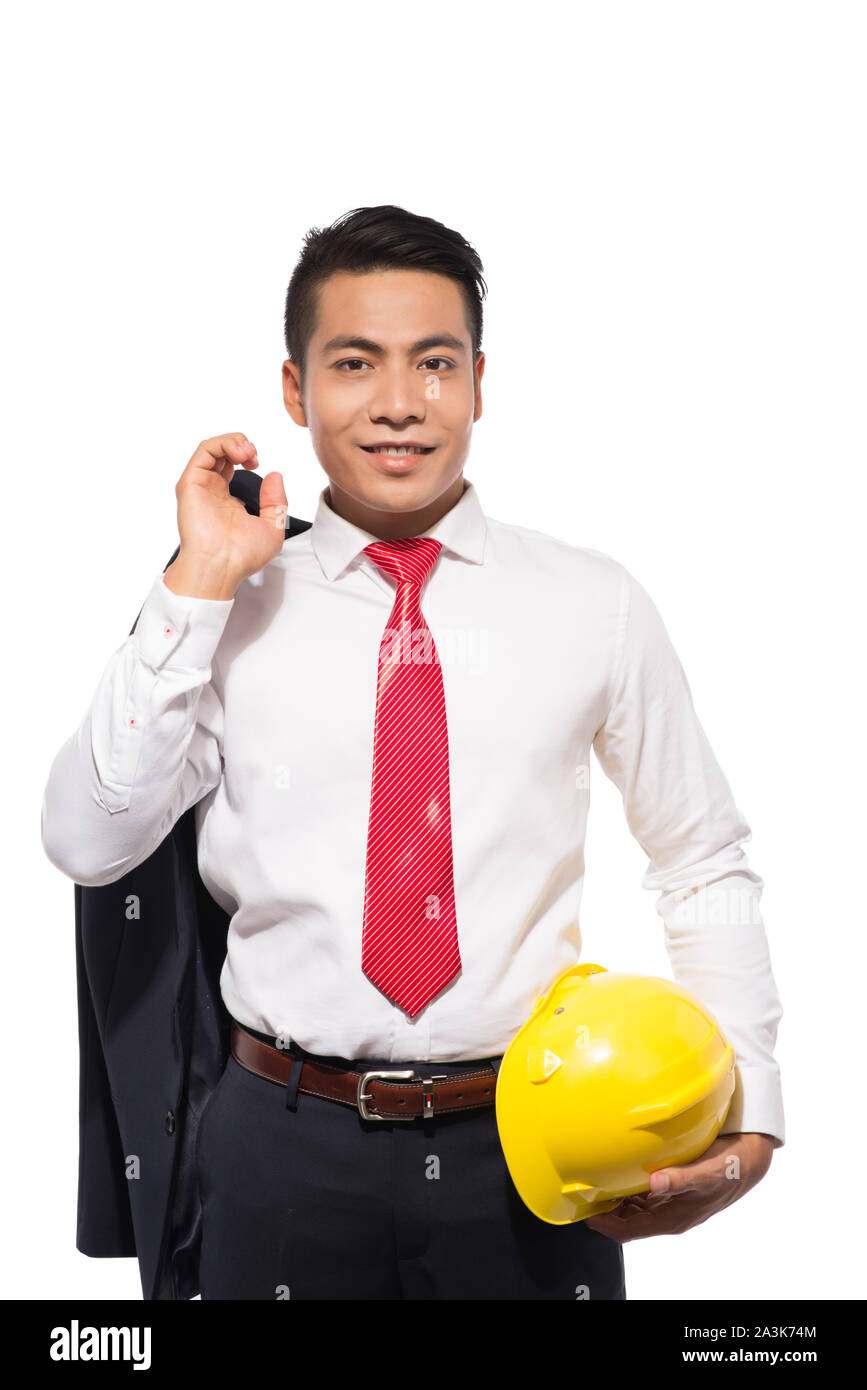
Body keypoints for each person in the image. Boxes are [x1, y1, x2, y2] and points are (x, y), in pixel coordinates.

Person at [41, 203, 784, 1300]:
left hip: (537, 1146)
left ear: (481, 382)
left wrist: (751, 1108)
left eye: (435, 363)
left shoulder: (593, 603)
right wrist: (193, 583)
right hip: (275, 1141)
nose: (400, 403)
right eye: (355, 363)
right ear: (295, 390)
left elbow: (702, 857)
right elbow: (87, 840)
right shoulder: (225, 603)